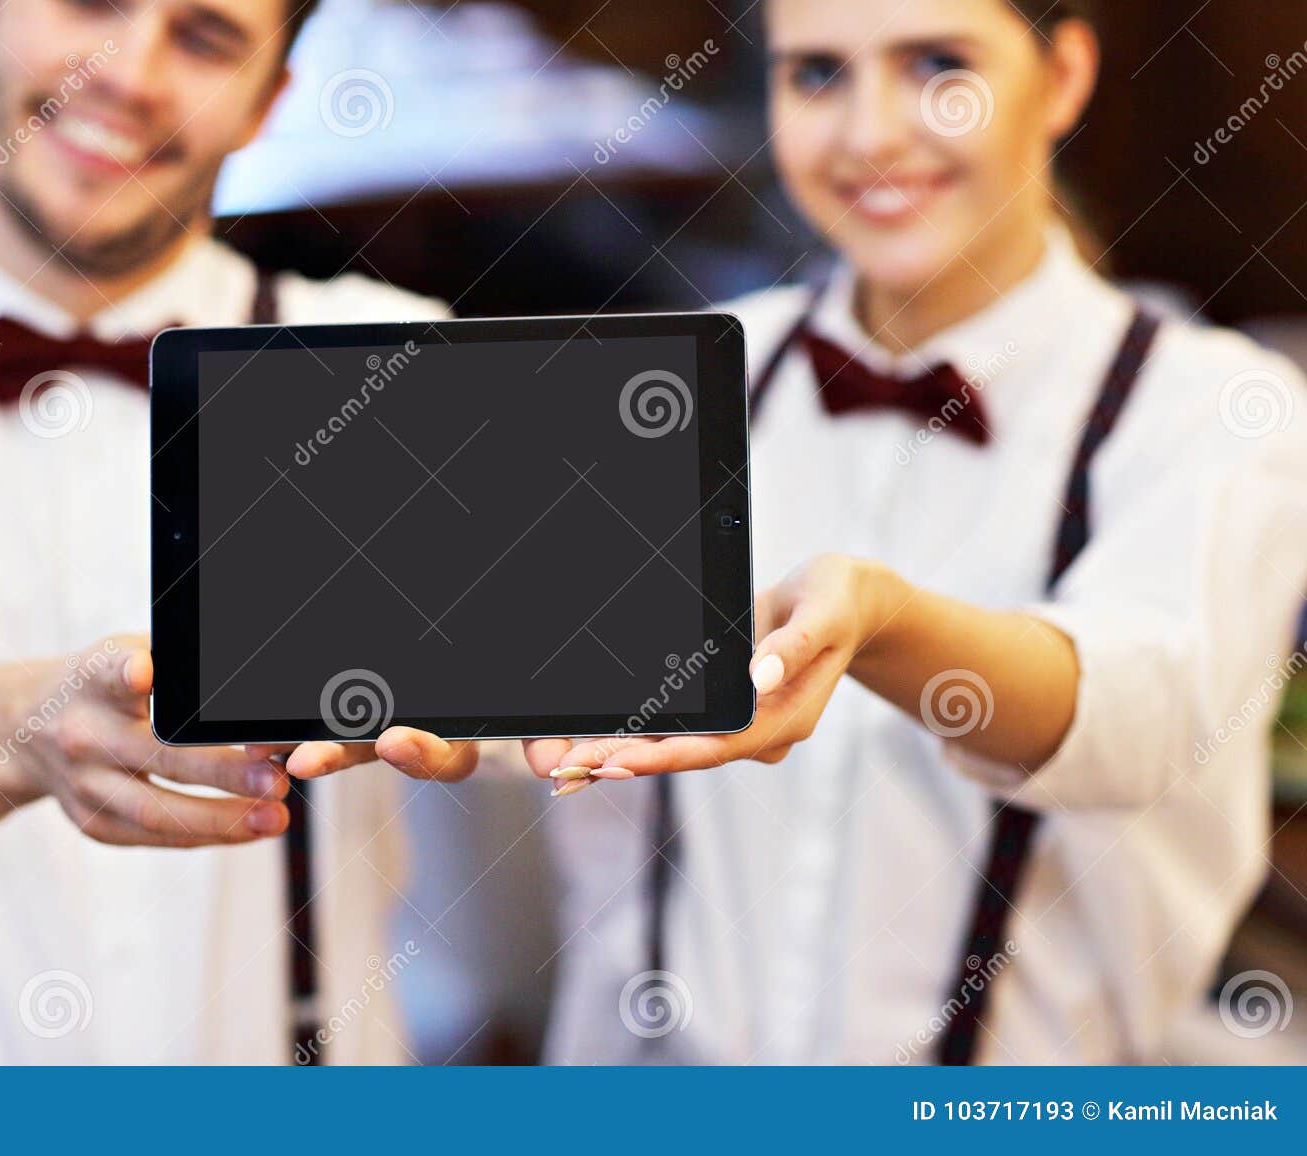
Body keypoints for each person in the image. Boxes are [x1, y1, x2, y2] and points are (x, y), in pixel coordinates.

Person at [522, 0, 1307, 1064]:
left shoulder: (1213, 407)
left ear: (1063, 77)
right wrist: (446, 708)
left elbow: (1142, 711)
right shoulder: (674, 376)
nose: (870, 134)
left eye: (938, 65)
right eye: (816, 74)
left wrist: (887, 627)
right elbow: (559, 677)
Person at [0, 0, 480, 1064]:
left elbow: (563, 680)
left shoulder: (392, 359)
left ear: (266, 103)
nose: (130, 75)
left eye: (205, 38)